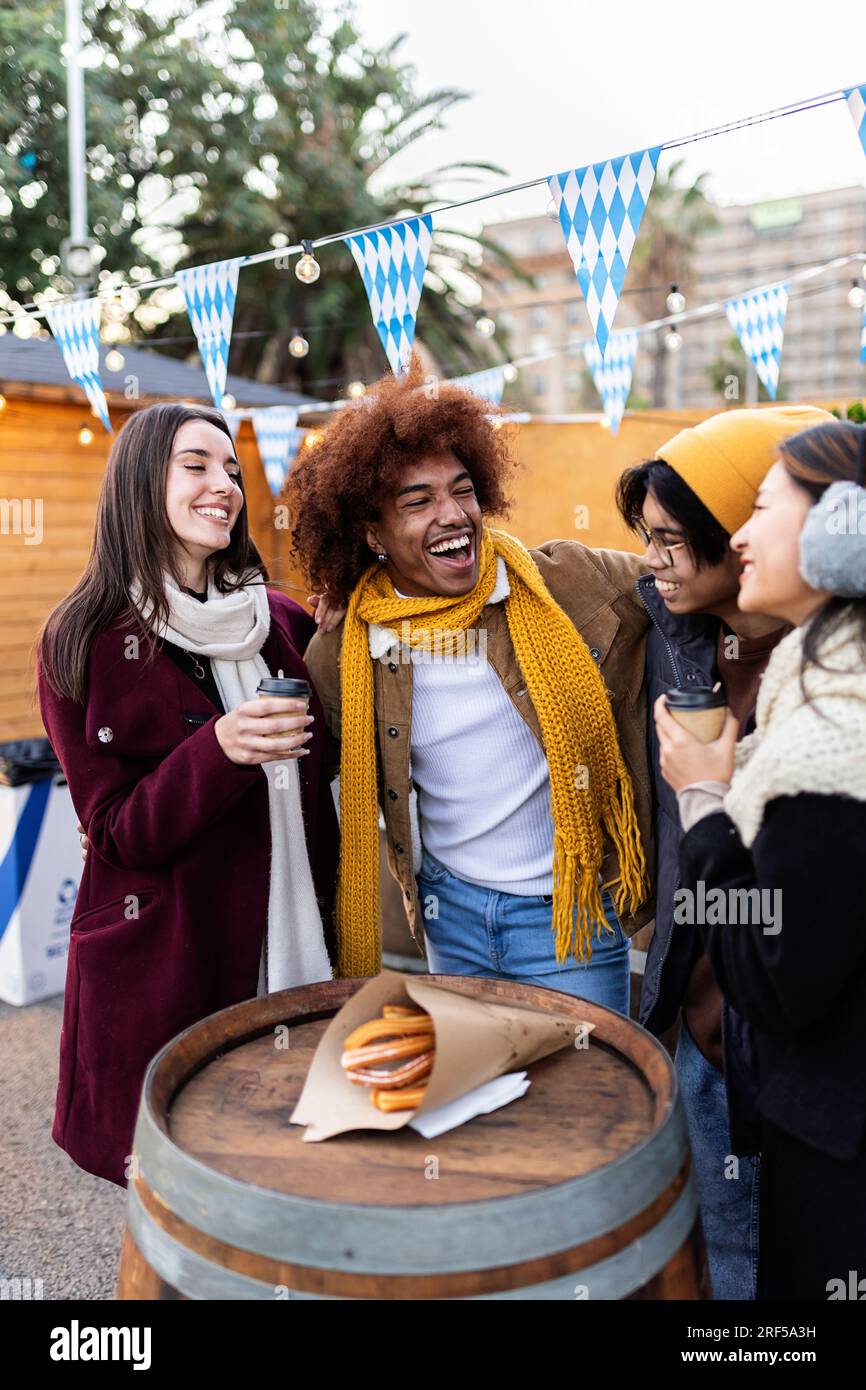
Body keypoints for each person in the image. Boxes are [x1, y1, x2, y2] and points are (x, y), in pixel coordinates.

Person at [289, 363, 653, 1013]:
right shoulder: (348, 646)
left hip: (571, 917)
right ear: (373, 534)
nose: (453, 514)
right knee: (476, 1099)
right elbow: (292, 772)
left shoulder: (567, 581)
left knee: (585, 1107)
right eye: (418, 501)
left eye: (462, 490)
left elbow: (684, 583)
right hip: (448, 914)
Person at [38, 402, 338, 1188]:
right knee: (184, 1195)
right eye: (196, 466)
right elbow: (114, 832)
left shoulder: (279, 620)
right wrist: (219, 751)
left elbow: (330, 760)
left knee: (286, 1168)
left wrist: (341, 645)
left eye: (232, 469)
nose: (224, 486)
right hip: (168, 959)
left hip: (290, 943)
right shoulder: (84, 638)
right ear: (142, 484)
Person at [615, 404, 832, 1299]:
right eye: (647, 540)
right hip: (696, 1005)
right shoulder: (680, 631)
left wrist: (710, 791)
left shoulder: (828, 673)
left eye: (674, 541)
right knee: (714, 1246)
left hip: (785, 1027)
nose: (655, 562)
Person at [654, 418, 866, 1300]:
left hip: (836, 1135)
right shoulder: (822, 685)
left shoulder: (834, 738)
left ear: (838, 531)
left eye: (764, 507)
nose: (740, 534)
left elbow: (775, 978)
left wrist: (703, 803)